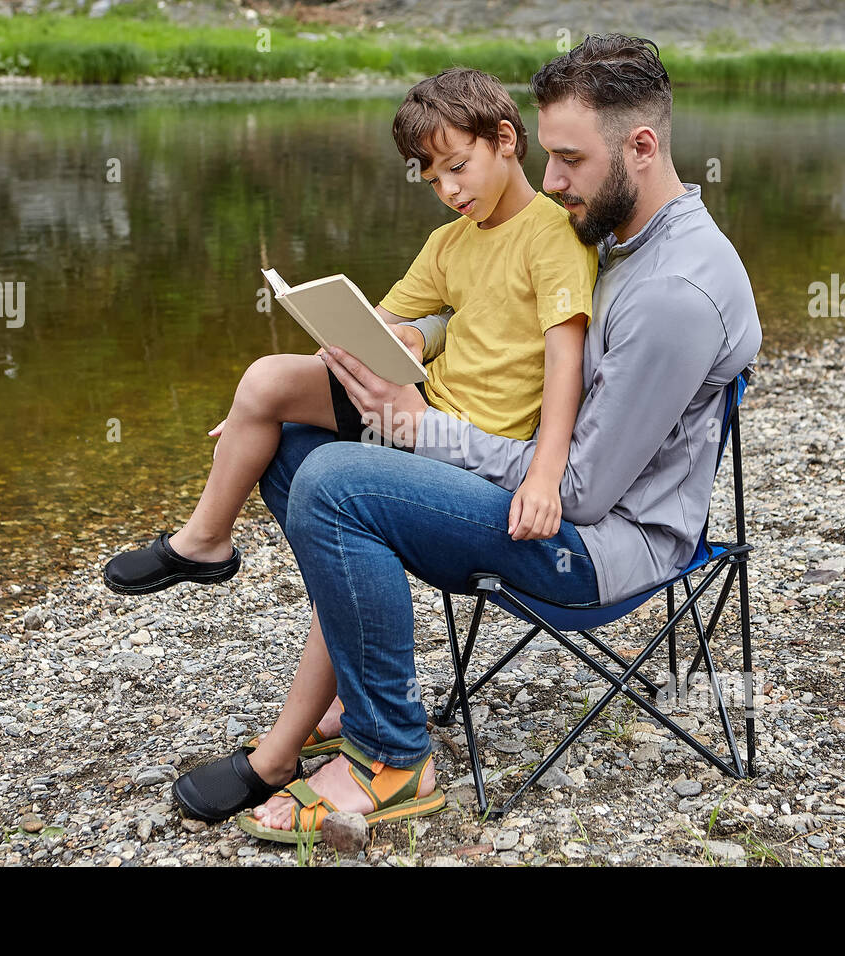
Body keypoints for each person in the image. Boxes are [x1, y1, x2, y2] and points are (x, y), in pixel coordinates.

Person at [174, 34, 764, 844]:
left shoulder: (673, 292)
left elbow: (584, 492)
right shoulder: (620, 235)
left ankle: (391, 759)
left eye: (569, 161)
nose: (553, 183)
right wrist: (431, 332)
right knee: (285, 450)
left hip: (596, 547)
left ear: (641, 146)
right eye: (550, 158)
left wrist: (423, 430)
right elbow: (505, 312)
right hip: (536, 497)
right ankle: (351, 691)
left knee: (337, 485)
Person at [102, 67, 597, 597]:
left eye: (457, 167)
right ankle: (207, 542)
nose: (449, 190)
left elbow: (564, 363)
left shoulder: (555, 236)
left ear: (504, 140)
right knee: (267, 379)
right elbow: (379, 323)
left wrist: (545, 477)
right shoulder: (448, 243)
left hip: (463, 441)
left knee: (331, 508)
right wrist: (256, 405)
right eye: (432, 180)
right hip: (418, 399)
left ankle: (220, 546)